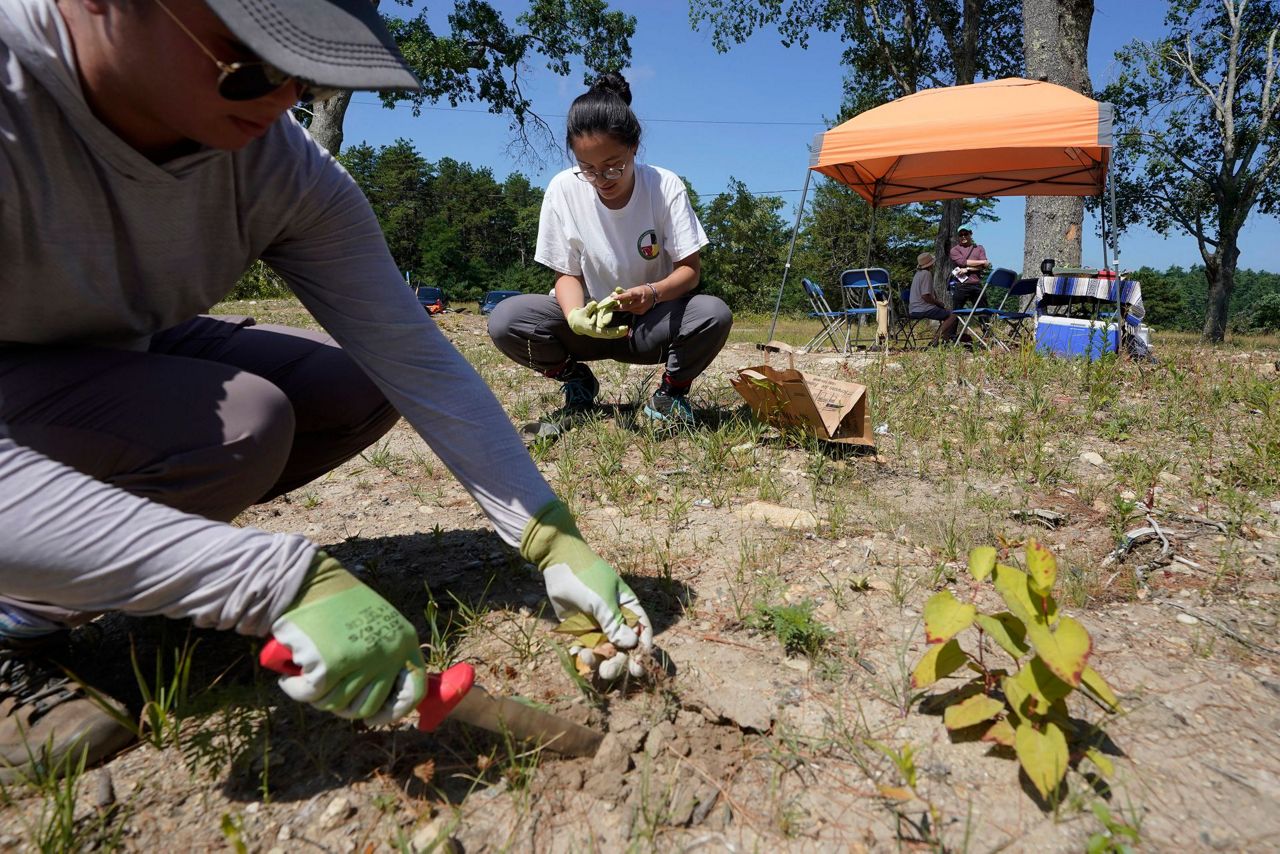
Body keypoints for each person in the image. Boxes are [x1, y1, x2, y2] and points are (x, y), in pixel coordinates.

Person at [0, 0, 652, 781]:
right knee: (242, 424)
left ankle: (133, 573)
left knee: (347, 384)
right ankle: (17, 628)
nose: (283, 97)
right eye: (250, 54)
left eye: (308, 69)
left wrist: (548, 535)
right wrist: (258, 578)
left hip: (102, 356)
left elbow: (413, 355)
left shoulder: (277, 165)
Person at [487, 73, 733, 427]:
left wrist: (651, 293)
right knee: (506, 320)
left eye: (613, 167)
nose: (602, 180)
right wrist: (575, 316)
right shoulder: (562, 189)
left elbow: (690, 271)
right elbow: (566, 274)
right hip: (590, 325)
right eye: (588, 169)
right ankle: (576, 380)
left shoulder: (665, 186)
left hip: (650, 324)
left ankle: (670, 394)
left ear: (634, 147)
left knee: (713, 313)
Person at [908, 253, 960, 345]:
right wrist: (938, 303)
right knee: (953, 314)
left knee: (946, 313)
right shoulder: (926, 274)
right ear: (930, 264)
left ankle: (946, 339)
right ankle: (935, 339)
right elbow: (925, 296)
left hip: (913, 308)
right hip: (922, 308)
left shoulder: (918, 274)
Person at [948, 227, 991, 309]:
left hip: (976, 284)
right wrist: (982, 262)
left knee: (984, 313)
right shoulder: (954, 250)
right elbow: (963, 262)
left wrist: (967, 269)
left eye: (965, 234)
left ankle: (985, 322)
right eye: (960, 235)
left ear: (971, 234)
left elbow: (985, 266)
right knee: (956, 313)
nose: (963, 236)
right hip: (960, 285)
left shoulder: (979, 248)